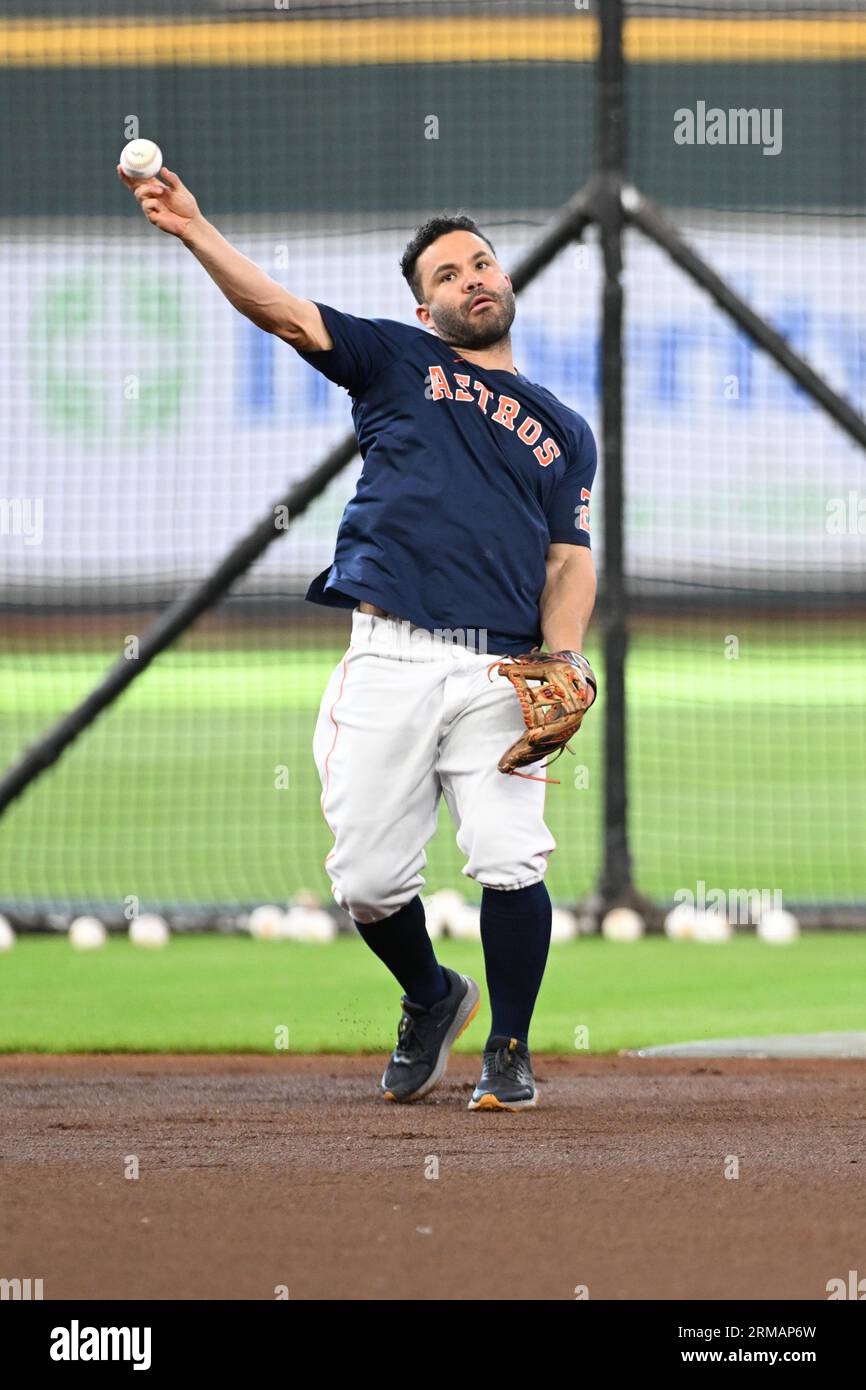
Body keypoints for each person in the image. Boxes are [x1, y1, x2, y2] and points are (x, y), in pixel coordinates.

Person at [119, 164, 597, 1111]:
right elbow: (287, 315)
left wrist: (565, 655)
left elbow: (568, 560)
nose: (473, 278)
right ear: (427, 310)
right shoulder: (395, 363)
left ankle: (509, 1049)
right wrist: (194, 228)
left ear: (505, 281)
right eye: (450, 274)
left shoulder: (564, 428)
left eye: (482, 262)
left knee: (512, 855)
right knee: (369, 879)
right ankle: (431, 996)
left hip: (504, 667)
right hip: (390, 655)